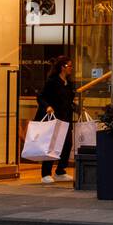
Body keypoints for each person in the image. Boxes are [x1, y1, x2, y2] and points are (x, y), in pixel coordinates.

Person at [34, 55, 75, 183]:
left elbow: (68, 100)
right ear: (62, 67)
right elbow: (40, 97)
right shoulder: (52, 81)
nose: (71, 68)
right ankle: (45, 173)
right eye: (69, 66)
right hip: (54, 118)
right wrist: (48, 106)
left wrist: (76, 107)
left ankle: (60, 170)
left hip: (66, 117)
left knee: (67, 144)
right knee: (51, 145)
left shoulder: (69, 83)